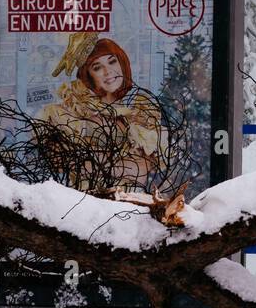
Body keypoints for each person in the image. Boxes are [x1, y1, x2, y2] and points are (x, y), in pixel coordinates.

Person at [33, 36, 170, 194]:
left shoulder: (140, 109)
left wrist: (88, 160)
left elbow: (139, 172)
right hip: (84, 203)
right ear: (88, 74)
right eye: (97, 67)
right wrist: (119, 163)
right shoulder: (72, 110)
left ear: (122, 63)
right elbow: (60, 161)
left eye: (112, 62)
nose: (108, 72)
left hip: (129, 204)